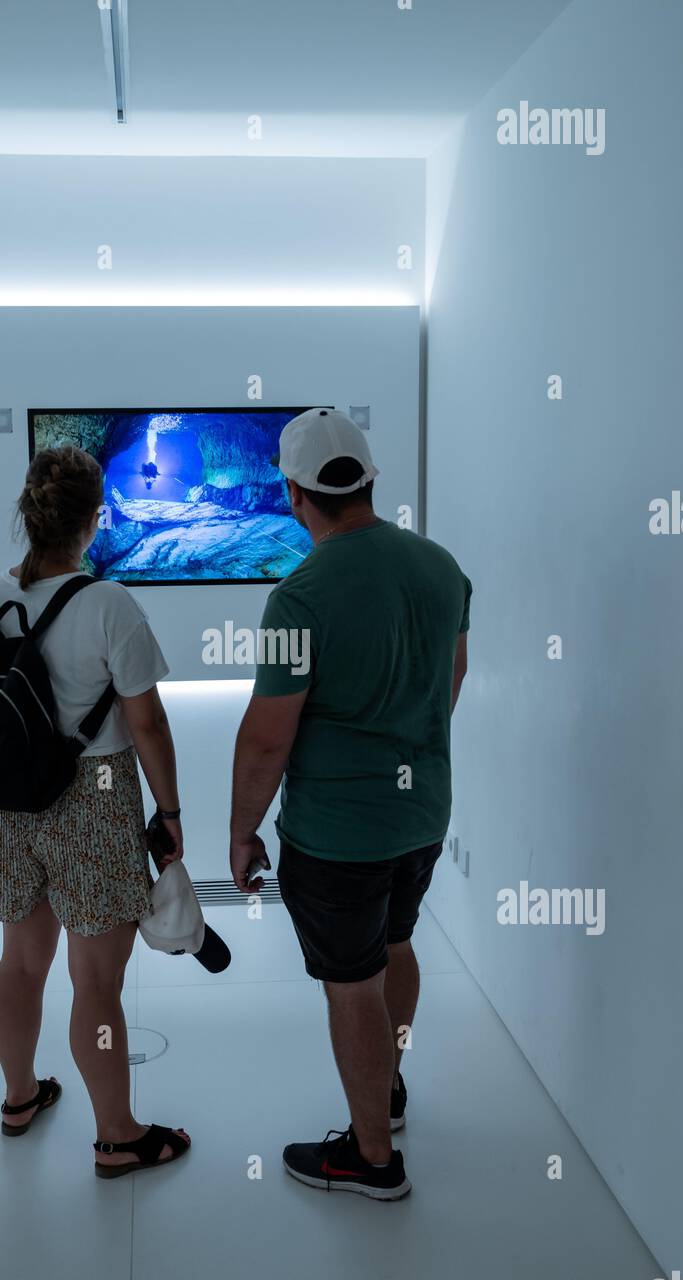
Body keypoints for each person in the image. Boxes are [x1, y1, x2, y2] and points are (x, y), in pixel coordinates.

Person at [0, 445, 190, 1179]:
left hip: (7, 802)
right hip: (95, 801)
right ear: (95, 520)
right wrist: (169, 812)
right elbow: (149, 725)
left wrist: (7, 724)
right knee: (95, 982)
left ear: (28, 513)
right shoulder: (109, 604)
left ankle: (18, 1098)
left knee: (19, 962)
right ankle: (117, 1136)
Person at [230, 408, 471, 1201]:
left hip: (337, 836)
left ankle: (372, 1159)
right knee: (396, 944)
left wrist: (242, 831)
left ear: (297, 495)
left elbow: (268, 740)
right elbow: (449, 686)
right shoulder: (443, 569)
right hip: (423, 819)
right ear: (369, 481)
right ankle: (389, 1088)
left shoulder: (295, 598)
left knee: (353, 983)